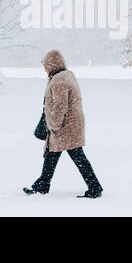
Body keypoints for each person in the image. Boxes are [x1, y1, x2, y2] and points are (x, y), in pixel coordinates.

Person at [23, 50, 103, 198]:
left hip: (65, 126)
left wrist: (53, 125)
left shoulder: (59, 80)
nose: (45, 69)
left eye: (46, 65)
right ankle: (42, 185)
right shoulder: (66, 75)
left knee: (75, 156)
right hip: (70, 125)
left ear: (53, 65)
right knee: (53, 155)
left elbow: (60, 106)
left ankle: (95, 187)